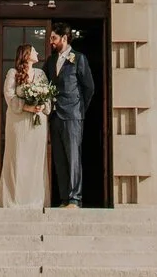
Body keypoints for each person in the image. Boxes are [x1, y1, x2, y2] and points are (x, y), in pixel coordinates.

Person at [44, 23, 96, 207]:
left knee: (73, 157)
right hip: (55, 116)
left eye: (53, 38)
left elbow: (89, 87)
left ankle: (75, 198)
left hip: (73, 116)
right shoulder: (50, 62)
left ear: (64, 39)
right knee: (59, 159)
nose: (50, 41)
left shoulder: (78, 59)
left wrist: (79, 110)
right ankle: (65, 198)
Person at [0, 42, 49, 208]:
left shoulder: (41, 74)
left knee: (36, 160)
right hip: (19, 123)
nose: (37, 53)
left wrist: (42, 105)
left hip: (37, 124)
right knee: (17, 158)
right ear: (26, 55)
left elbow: (48, 95)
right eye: (34, 51)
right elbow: (9, 95)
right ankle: (15, 200)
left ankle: (35, 200)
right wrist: (27, 107)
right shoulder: (13, 73)